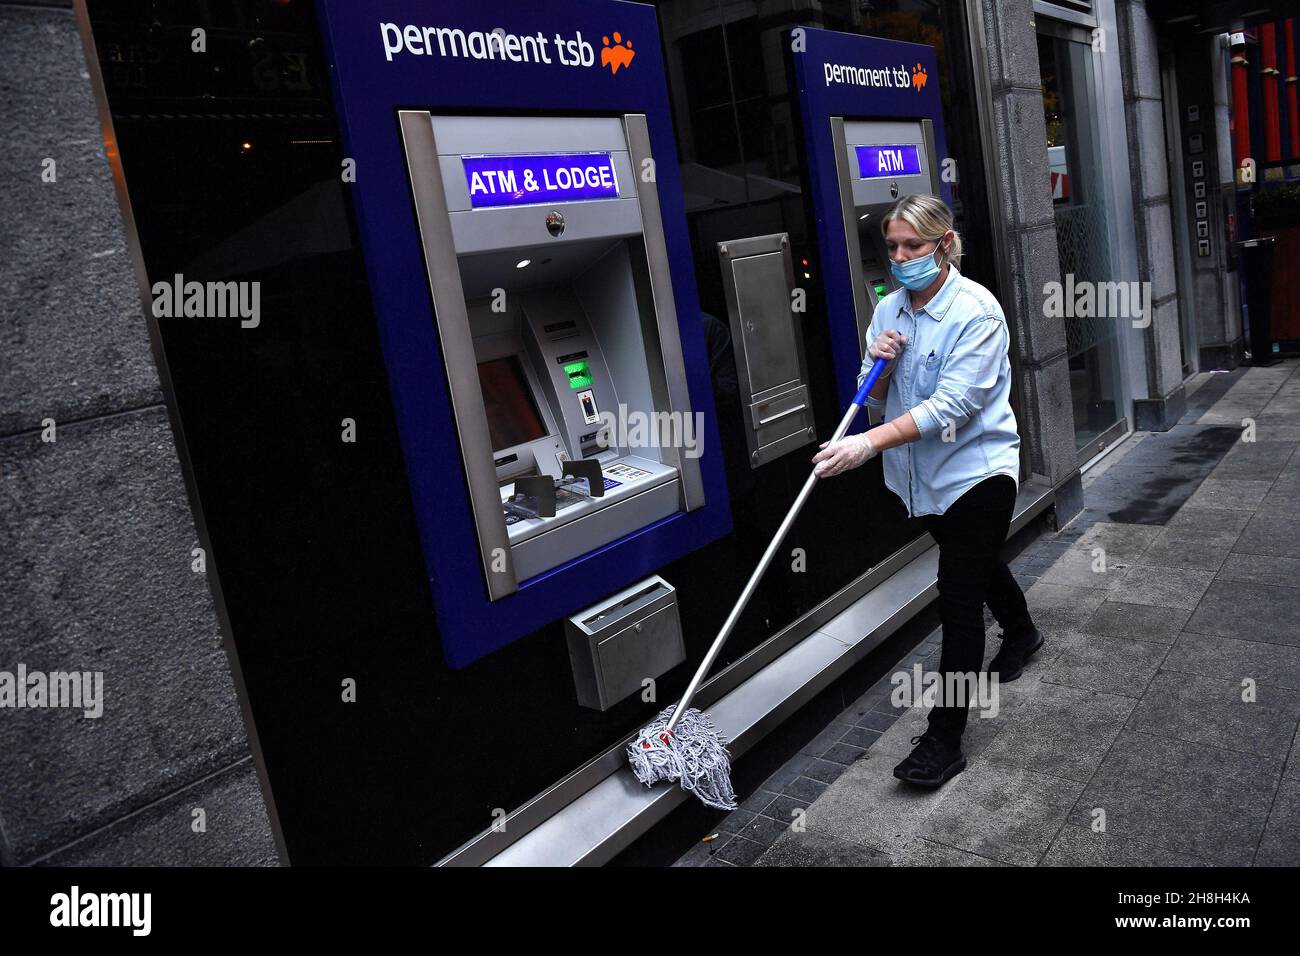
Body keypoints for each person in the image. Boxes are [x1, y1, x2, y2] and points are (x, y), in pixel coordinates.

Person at [810, 193, 1042, 788]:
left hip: (977, 471)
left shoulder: (977, 312)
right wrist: (881, 365)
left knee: (957, 597)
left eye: (913, 245)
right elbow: (875, 400)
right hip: (920, 476)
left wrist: (867, 447)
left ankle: (943, 740)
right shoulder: (888, 312)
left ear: (943, 244)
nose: (900, 256)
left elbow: (954, 404)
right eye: (891, 246)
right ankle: (1022, 631)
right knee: (977, 564)